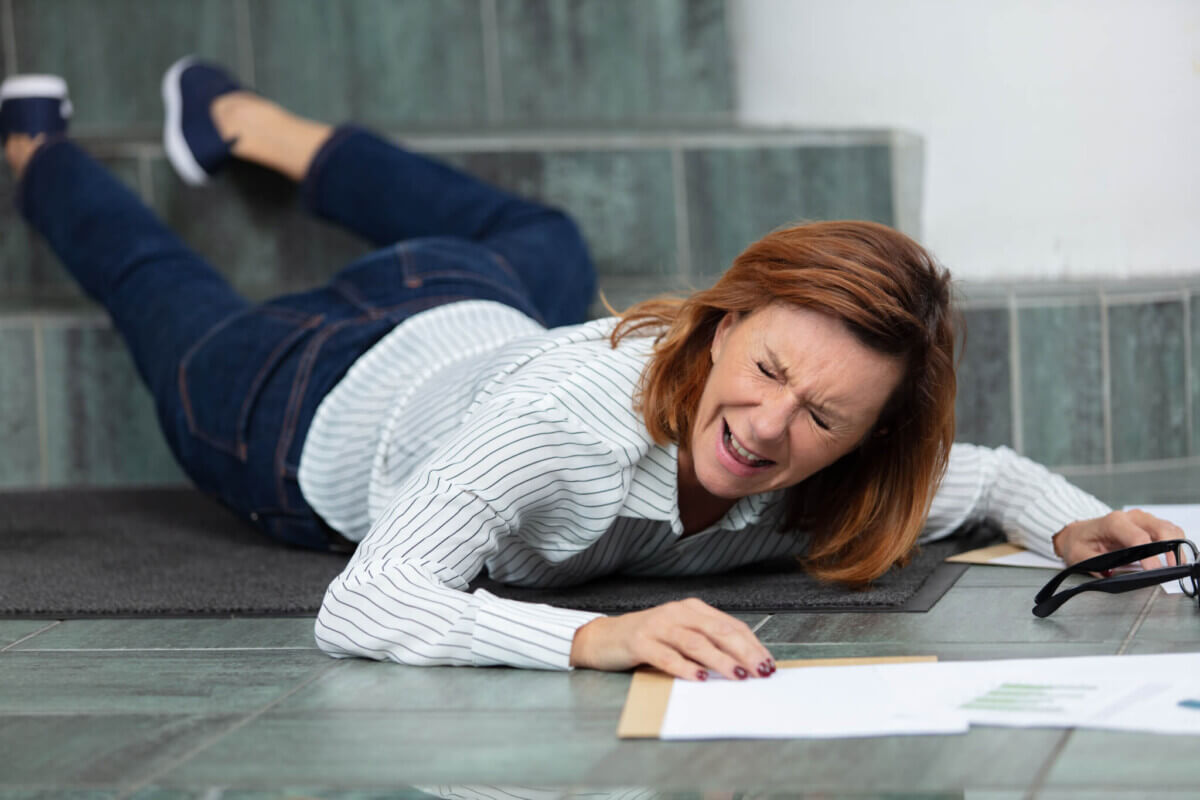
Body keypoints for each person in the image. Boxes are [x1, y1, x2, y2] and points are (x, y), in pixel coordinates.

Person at [1, 60, 1185, 683]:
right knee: (160, 289)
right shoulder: (564, 424)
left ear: (865, 434)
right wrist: (589, 639)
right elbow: (366, 599)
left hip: (472, 310)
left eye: (824, 414)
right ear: (720, 324)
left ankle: (234, 119)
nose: (770, 426)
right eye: (767, 366)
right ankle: (33, 146)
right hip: (296, 400)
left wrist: (1073, 521)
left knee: (543, 235)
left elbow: (985, 475)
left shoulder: (824, 471)